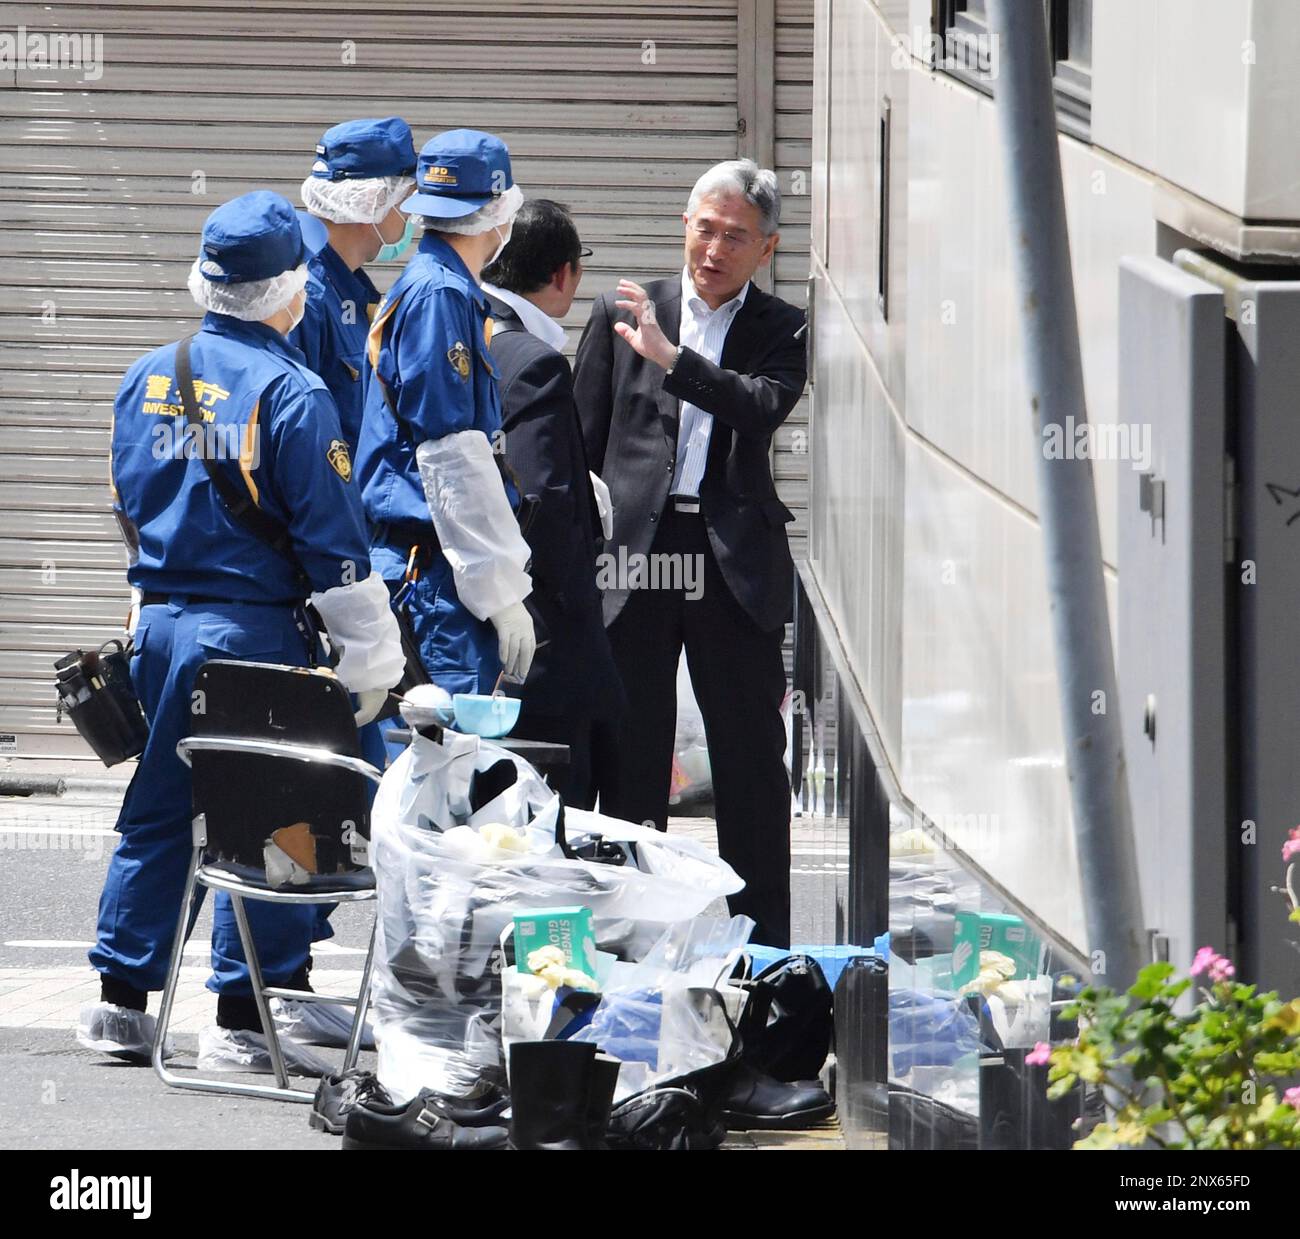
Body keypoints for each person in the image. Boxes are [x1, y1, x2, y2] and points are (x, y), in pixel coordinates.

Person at [80, 191, 405, 1070]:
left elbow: (124, 503)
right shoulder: (292, 393)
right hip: (251, 637)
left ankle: (120, 1004)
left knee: (159, 809)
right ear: (286, 290)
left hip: (159, 629)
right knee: (275, 816)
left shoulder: (145, 372)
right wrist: (374, 658)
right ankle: (241, 1015)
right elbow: (335, 549)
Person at [573, 159, 807, 948]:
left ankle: (762, 951)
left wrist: (676, 361)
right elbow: (581, 438)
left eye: (736, 236)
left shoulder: (786, 329)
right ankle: (634, 938)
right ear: (685, 225)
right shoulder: (622, 307)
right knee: (632, 757)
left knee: (748, 764)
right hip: (635, 551)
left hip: (731, 556)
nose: (715, 248)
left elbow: (760, 404)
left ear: (766, 247)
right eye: (705, 228)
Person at [356, 129, 536, 697]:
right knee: (451, 763)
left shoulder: (440, 286)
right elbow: (448, 453)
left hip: (440, 565)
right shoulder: (441, 295)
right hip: (436, 574)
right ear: (497, 209)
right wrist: (501, 594)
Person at [479, 200, 624, 806]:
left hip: (467, 623)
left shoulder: (456, 332)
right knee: (544, 827)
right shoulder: (532, 359)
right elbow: (542, 506)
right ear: (564, 274)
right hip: (538, 648)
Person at [293, 116, 417, 453]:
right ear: (373, 202)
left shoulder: (351, 288)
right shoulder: (305, 300)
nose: (412, 216)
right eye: (406, 200)